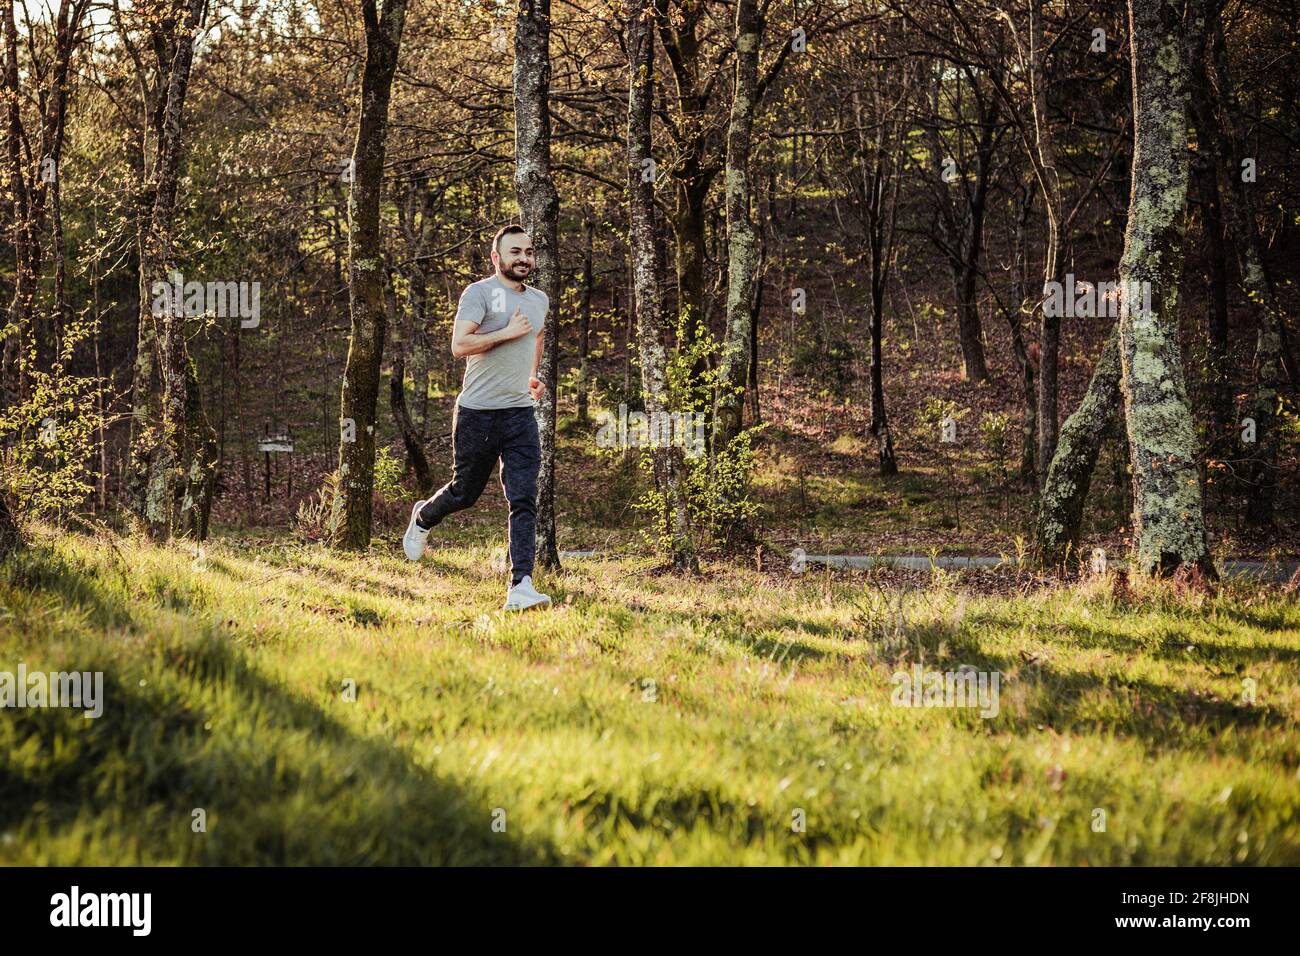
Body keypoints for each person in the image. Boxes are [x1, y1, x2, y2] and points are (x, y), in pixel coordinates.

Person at [402, 224, 552, 611]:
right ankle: (424, 517)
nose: (523, 258)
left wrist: (531, 375)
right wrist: (504, 332)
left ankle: (520, 585)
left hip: (520, 412)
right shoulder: (479, 293)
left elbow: (535, 335)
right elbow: (459, 345)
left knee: (523, 497)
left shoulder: (539, 300)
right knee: (465, 493)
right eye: (514, 252)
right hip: (478, 414)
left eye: (529, 252)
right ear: (496, 258)